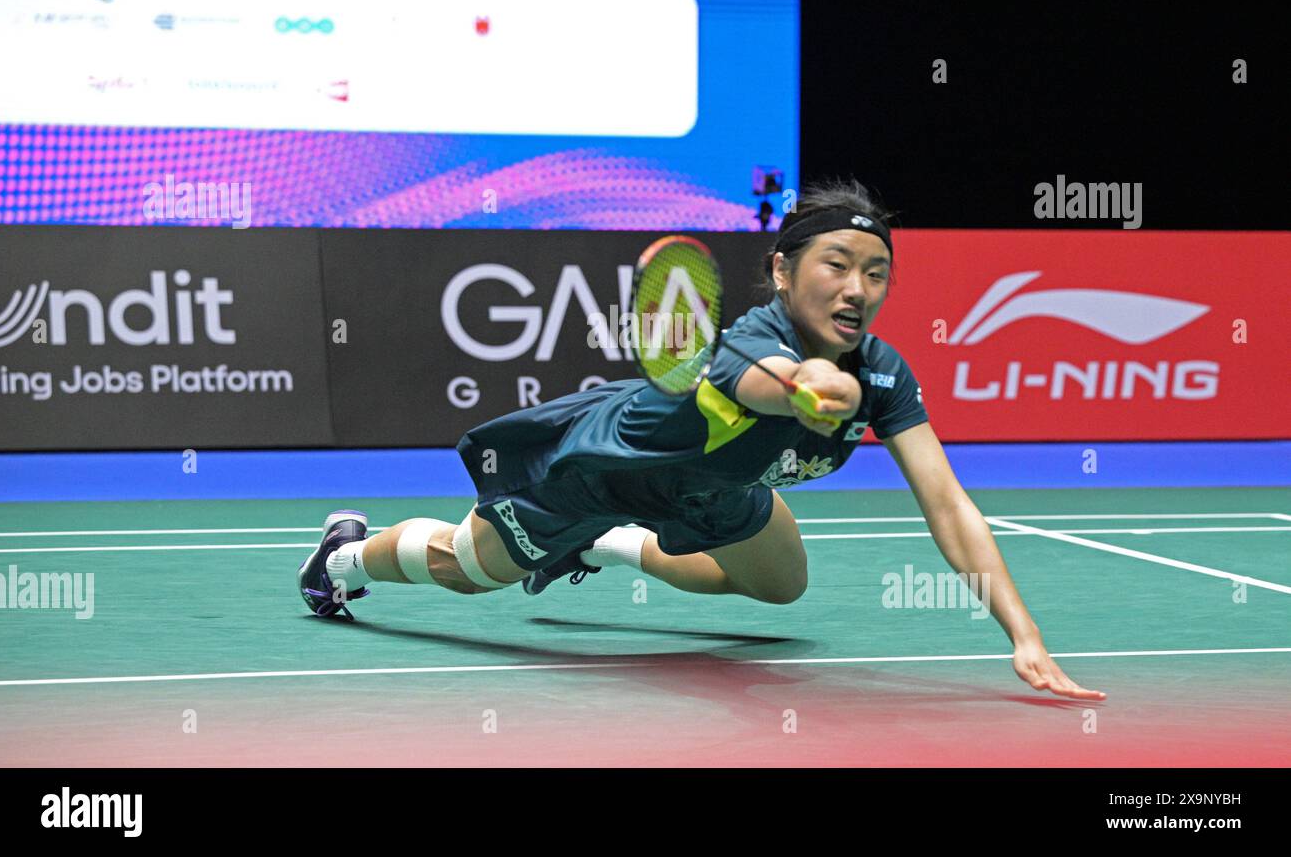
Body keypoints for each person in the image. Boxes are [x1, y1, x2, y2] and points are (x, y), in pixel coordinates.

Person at [298, 178, 1105, 700]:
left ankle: (610, 548)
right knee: (469, 571)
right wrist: (833, 391)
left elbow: (949, 505)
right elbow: (790, 392)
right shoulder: (752, 343)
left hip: (708, 487)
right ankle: (337, 557)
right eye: (836, 263)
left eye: (876, 270)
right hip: (597, 471)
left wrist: (1024, 637)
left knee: (780, 585)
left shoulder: (888, 375)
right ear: (783, 272)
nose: (858, 287)